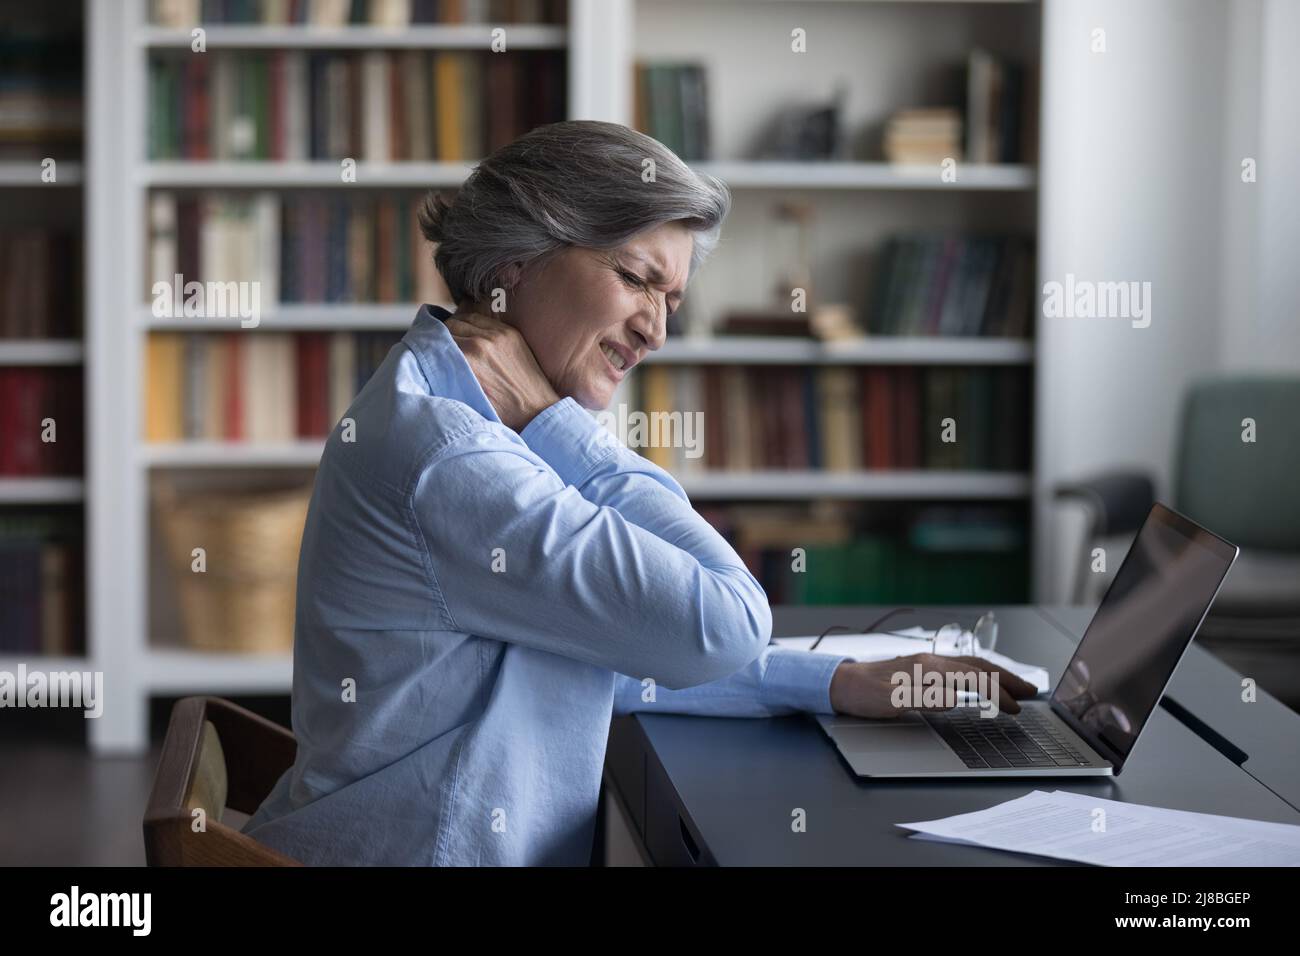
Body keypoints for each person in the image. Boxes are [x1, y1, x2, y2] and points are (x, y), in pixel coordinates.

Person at [241, 120, 1035, 865]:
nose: (656, 329)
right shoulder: (458, 456)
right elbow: (723, 623)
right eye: (634, 279)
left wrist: (834, 682)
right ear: (516, 262)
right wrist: (559, 422)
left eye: (672, 300)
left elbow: (590, 654)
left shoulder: (451, 398)